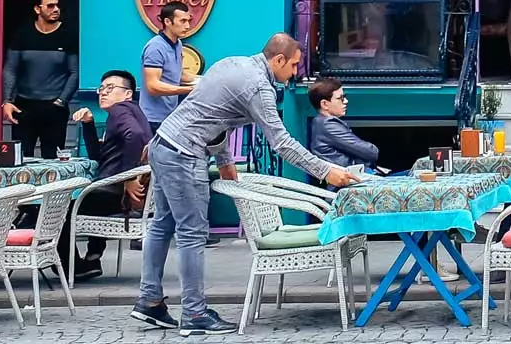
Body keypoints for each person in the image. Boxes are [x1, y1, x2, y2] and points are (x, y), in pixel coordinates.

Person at [131, 33, 361, 337]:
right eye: (293, 65)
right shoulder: (259, 87)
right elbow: (281, 143)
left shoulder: (232, 62)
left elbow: (213, 115)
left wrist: (225, 161)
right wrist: (325, 170)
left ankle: (149, 300)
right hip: (184, 155)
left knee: (162, 225)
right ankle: (194, 313)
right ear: (278, 60)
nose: (295, 73)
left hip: (164, 144)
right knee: (192, 233)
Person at [68, 69, 153, 280]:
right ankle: (92, 258)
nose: (103, 93)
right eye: (101, 88)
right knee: (85, 199)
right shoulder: (129, 112)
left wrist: (129, 177)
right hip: (113, 193)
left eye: (110, 88)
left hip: (115, 194)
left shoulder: (121, 110)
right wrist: (88, 124)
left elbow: (136, 136)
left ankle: (75, 266)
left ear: (128, 94)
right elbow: (99, 156)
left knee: (56, 209)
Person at [3, 0, 80, 160]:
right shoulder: (22, 34)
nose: (56, 9)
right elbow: (10, 68)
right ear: (37, 9)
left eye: (57, 5)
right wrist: (7, 101)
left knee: (53, 160)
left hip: (54, 108)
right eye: (50, 6)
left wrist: (61, 101)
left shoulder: (68, 35)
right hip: (24, 106)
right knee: (20, 159)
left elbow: (74, 72)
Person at [140, 1, 195, 133]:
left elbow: (180, 75)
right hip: (152, 119)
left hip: (170, 117)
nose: (187, 26)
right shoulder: (155, 47)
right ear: (168, 22)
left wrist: (207, 80)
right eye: (182, 21)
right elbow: (153, 86)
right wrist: (187, 90)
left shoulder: (178, 44)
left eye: (188, 21)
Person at [305, 79, 379, 171]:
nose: (346, 101)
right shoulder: (328, 125)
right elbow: (370, 152)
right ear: (324, 104)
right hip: (351, 180)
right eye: (340, 98)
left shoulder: (320, 123)